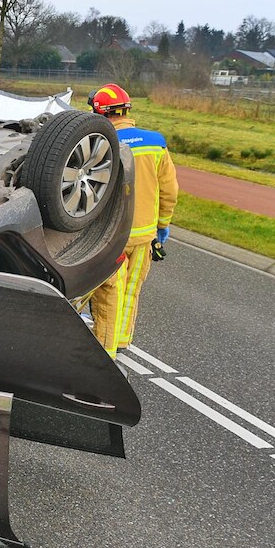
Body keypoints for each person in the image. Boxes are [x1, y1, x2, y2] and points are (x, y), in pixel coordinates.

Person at [88, 83, 178, 357]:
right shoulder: (156, 143)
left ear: (100, 112)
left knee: (106, 294)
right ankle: (123, 340)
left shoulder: (101, 143)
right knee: (130, 291)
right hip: (144, 236)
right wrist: (162, 225)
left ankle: (105, 352)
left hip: (111, 236)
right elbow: (169, 190)